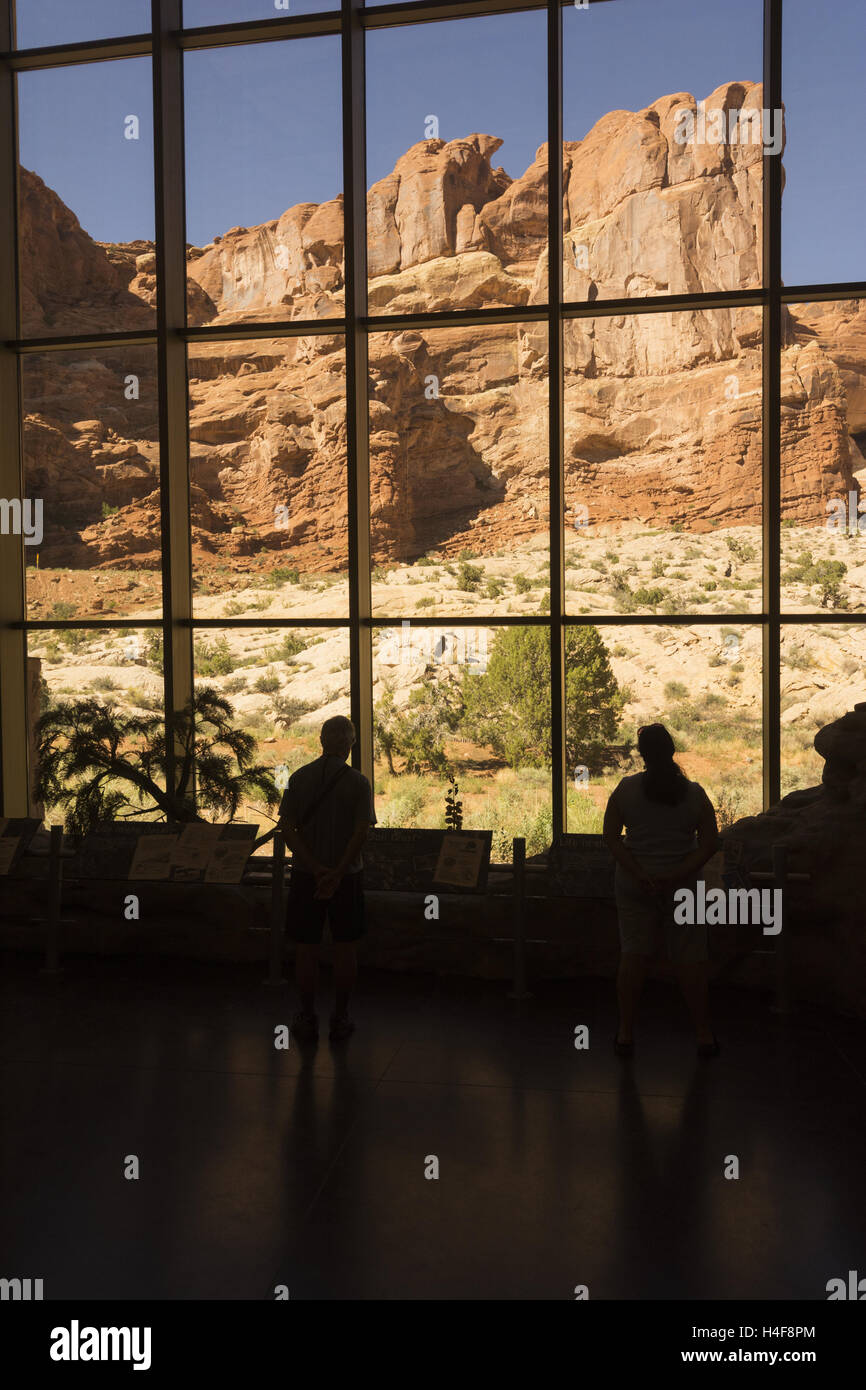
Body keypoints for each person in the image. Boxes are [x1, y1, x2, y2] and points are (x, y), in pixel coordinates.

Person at [602, 723, 720, 1059]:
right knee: (691, 959)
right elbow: (709, 844)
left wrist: (641, 873)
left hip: (634, 885)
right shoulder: (694, 794)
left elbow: (610, 837)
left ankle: (625, 1033)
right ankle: (703, 1034)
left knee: (633, 955)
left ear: (642, 754)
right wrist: (674, 875)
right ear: (672, 750)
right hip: (683, 887)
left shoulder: (626, 789)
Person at [277, 715, 376, 1043]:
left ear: (321, 741)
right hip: (347, 878)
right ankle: (340, 1016)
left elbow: (287, 828)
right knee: (345, 948)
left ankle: (307, 1016)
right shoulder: (359, 783)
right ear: (351, 743)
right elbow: (361, 832)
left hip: (307, 877)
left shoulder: (297, 778)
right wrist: (337, 871)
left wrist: (316, 868)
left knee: (306, 949)